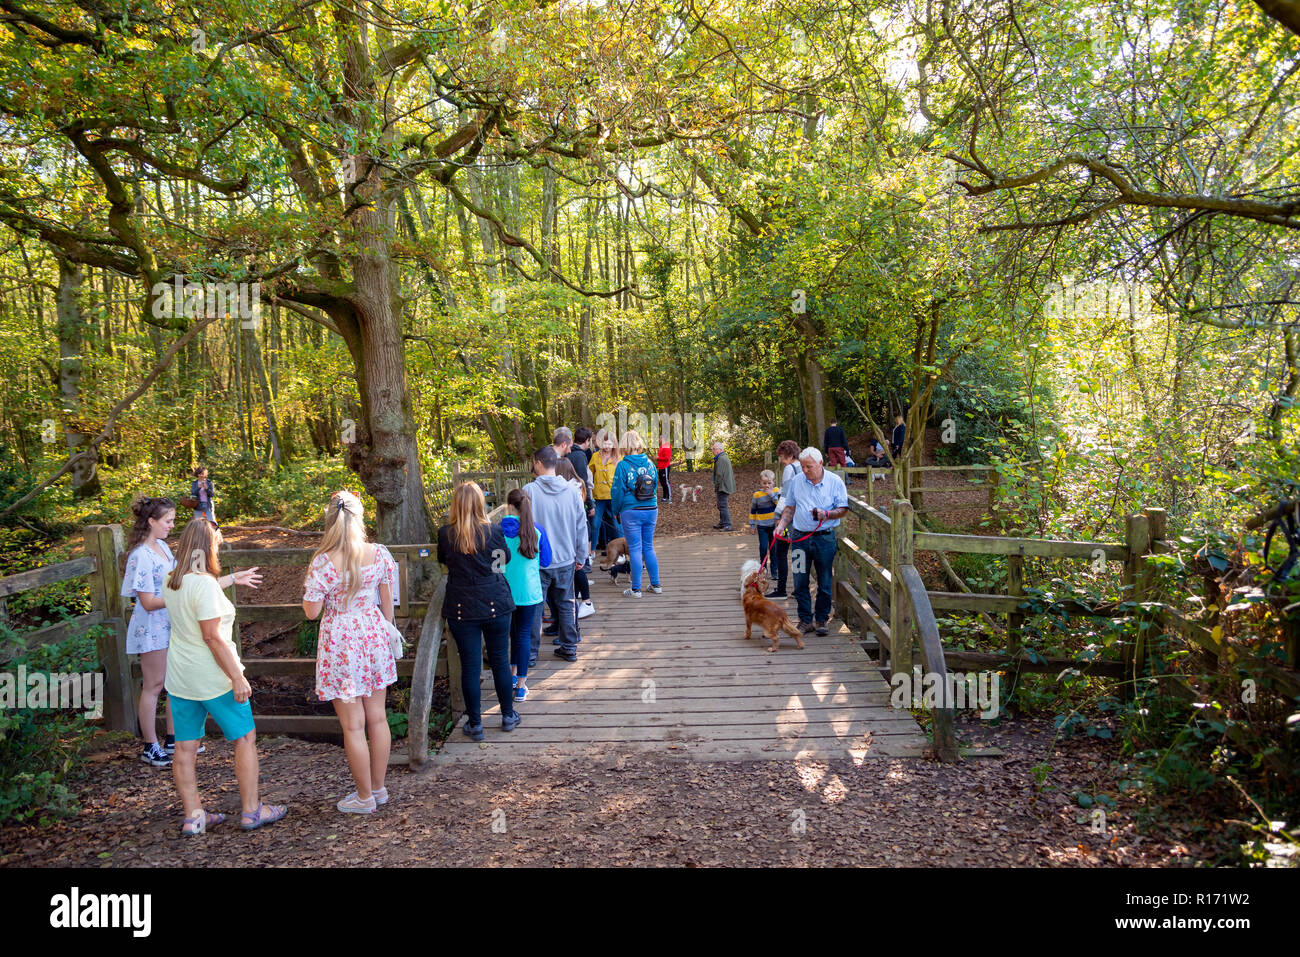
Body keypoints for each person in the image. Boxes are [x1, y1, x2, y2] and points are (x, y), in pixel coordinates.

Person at [161, 517, 280, 835]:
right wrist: (237, 677)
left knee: (185, 748)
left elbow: (199, 592)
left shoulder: (172, 579)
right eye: (216, 543)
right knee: (244, 738)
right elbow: (212, 636)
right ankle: (251, 811)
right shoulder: (204, 585)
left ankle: (193, 816)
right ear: (207, 547)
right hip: (213, 678)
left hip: (180, 678)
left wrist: (232, 578)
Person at [302, 491, 399, 813]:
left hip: (341, 640)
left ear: (330, 520)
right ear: (360, 518)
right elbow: (389, 606)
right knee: (378, 718)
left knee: (354, 726)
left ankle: (364, 798)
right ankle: (378, 788)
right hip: (373, 635)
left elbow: (312, 612)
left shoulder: (323, 562)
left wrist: (312, 590)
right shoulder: (379, 553)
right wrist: (387, 634)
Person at [437, 482, 519, 739]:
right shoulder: (493, 532)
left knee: (470, 665)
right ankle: (507, 715)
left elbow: (443, 559)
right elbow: (503, 560)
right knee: (500, 661)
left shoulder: (446, 534)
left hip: (462, 606)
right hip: (495, 601)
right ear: (480, 504)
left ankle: (475, 723)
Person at [121, 496, 178, 767]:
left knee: (174, 683)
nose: (171, 525)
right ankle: (150, 745)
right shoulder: (140, 556)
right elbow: (147, 601)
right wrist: (179, 598)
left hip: (170, 624)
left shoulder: (165, 549)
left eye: (173, 520)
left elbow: (176, 580)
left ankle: (173, 739)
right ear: (151, 521)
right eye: (167, 521)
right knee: (153, 685)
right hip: (151, 627)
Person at [773, 447, 849, 637]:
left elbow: (843, 508)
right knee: (799, 579)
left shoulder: (835, 482)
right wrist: (782, 524)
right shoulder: (797, 481)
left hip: (824, 538)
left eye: (809, 466)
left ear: (820, 464)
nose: (805, 470)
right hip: (799, 539)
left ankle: (822, 619)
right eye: (803, 466)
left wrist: (827, 514)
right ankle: (805, 620)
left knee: (824, 579)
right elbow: (790, 506)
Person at [523, 445, 588, 663]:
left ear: (538, 463)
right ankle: (569, 646)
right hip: (566, 557)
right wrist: (581, 556)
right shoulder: (572, 490)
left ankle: (531, 653)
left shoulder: (529, 491)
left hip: (537, 560)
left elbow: (522, 526)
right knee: (566, 602)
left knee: (535, 606)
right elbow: (581, 526)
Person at [503, 488, 550, 703]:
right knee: (523, 636)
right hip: (529, 592)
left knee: (511, 635)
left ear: (509, 506)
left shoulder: (497, 531)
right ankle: (521, 686)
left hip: (504, 591)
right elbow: (547, 560)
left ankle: (512, 675)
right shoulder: (536, 530)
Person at [611, 429, 662, 598]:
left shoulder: (623, 465)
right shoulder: (649, 463)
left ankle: (636, 589)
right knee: (648, 546)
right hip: (651, 508)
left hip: (631, 510)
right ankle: (655, 585)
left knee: (634, 548)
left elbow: (617, 492)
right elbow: (654, 486)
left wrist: (615, 510)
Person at [555, 458, 595, 620]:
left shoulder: (573, 488)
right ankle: (581, 597)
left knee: (578, 569)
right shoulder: (577, 484)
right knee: (576, 568)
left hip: (578, 531)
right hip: (579, 530)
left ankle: (586, 602)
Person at [767, 440, 802, 599]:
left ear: (788, 455)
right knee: (798, 553)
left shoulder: (789, 468)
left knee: (781, 553)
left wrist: (777, 517)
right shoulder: (803, 466)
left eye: (781, 456)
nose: (781, 460)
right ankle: (799, 588)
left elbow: (786, 496)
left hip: (789, 517)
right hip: (801, 517)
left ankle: (781, 589)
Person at [590, 429, 622, 549]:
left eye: (609, 443)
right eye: (604, 443)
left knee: (615, 525)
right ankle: (591, 551)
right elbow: (589, 474)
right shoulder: (595, 456)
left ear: (614, 444)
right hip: (598, 497)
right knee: (595, 524)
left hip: (613, 497)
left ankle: (621, 551)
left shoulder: (619, 458)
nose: (607, 446)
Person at [748, 470, 781, 566]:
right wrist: (752, 525)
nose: (767, 485)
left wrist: (771, 494)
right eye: (764, 483)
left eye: (769, 483)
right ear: (760, 483)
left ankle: (774, 570)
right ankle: (763, 568)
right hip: (762, 525)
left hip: (774, 525)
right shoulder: (757, 495)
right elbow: (753, 510)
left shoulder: (776, 491)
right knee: (763, 547)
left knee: (774, 548)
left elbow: (779, 505)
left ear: (773, 482)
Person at [711, 440, 735, 531]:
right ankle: (722, 522)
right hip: (724, 485)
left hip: (723, 486)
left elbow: (720, 475)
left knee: (722, 505)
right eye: (713, 449)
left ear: (719, 450)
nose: (713, 450)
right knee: (720, 504)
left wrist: (717, 486)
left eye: (714, 449)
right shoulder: (722, 457)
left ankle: (727, 525)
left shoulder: (721, 459)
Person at [656, 436, 673, 503]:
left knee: (666, 482)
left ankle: (669, 498)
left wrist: (658, 457)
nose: (658, 439)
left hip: (665, 467)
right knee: (662, 483)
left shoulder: (666, 446)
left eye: (660, 438)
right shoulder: (661, 446)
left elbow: (667, 458)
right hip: (660, 467)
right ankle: (664, 497)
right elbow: (661, 456)